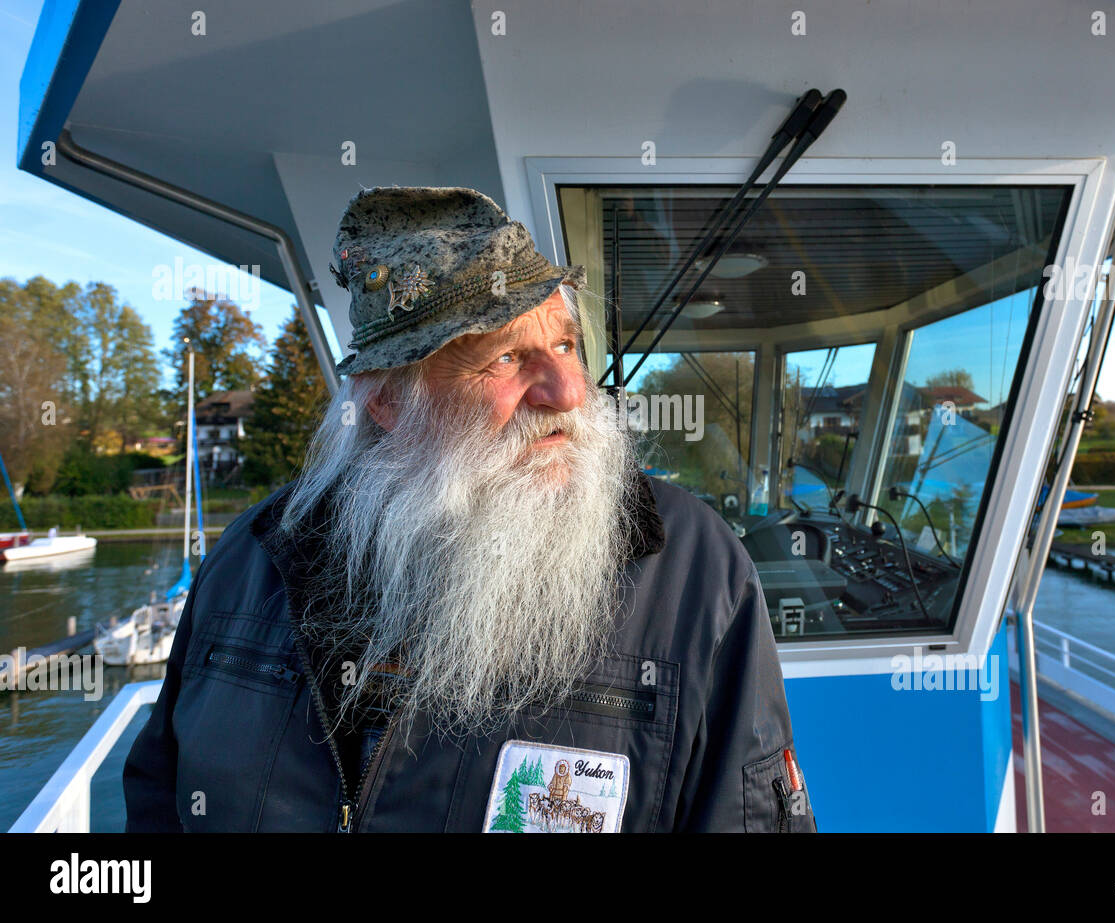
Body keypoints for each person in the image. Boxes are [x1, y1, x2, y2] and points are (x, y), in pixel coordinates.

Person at [122, 185, 815, 832]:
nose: (570, 391)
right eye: (508, 357)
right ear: (389, 400)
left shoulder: (694, 574)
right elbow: (158, 795)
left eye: (567, 343)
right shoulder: (252, 559)